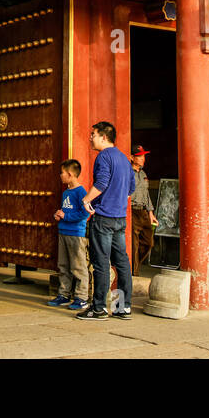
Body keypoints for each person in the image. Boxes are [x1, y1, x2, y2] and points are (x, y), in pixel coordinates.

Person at [77, 121, 134, 321]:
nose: (90, 137)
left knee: (101, 263)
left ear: (103, 137)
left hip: (103, 218)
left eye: (93, 134)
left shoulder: (104, 157)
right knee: (122, 263)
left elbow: (101, 183)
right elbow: (130, 190)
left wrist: (86, 199)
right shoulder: (125, 160)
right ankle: (122, 308)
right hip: (119, 218)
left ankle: (99, 308)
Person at [47, 159, 90, 310]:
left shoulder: (81, 192)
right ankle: (64, 294)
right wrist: (60, 215)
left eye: (62, 173)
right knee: (63, 265)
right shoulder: (66, 192)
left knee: (78, 266)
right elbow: (68, 210)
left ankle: (81, 296)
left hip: (76, 233)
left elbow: (85, 213)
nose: (60, 175)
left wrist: (66, 217)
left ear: (70, 174)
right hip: (63, 231)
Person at [129, 145, 158, 275]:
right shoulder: (128, 173)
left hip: (144, 211)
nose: (143, 159)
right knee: (134, 243)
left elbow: (146, 194)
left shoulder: (143, 173)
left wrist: (151, 213)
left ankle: (134, 265)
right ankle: (134, 273)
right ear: (132, 158)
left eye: (143, 156)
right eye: (139, 156)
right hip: (133, 210)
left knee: (148, 242)